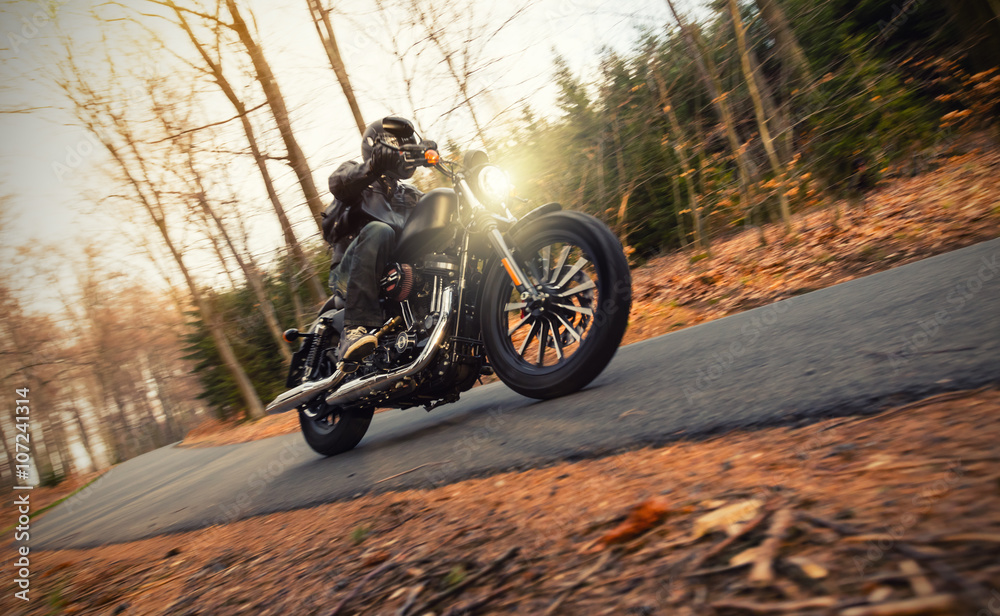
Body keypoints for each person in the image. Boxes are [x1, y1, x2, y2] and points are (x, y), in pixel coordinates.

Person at [322, 116, 423, 362]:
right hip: (346, 275)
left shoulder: (410, 195)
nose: (401, 152)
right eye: (396, 146)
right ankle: (353, 331)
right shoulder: (358, 180)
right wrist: (372, 167)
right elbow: (338, 183)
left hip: (388, 271)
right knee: (380, 230)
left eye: (406, 147)